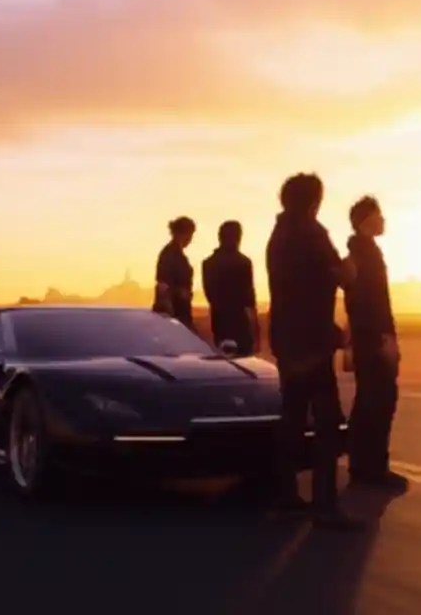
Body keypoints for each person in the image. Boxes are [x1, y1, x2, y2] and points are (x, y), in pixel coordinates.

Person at [266, 173, 362, 530]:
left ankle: (286, 496)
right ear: (313, 201)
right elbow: (342, 275)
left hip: (288, 341)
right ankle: (325, 504)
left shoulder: (278, 236)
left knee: (291, 420)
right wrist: (352, 264)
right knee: (328, 423)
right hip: (313, 342)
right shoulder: (312, 233)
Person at [344, 196, 410, 493]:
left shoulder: (364, 252)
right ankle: (372, 469)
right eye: (379, 214)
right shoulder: (364, 255)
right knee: (379, 401)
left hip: (369, 336)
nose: (383, 219)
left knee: (370, 401)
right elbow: (369, 302)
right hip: (373, 338)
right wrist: (383, 337)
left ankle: (364, 467)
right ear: (366, 220)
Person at [202, 220, 259, 356]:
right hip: (240, 322)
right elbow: (249, 298)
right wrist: (256, 327)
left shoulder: (209, 263)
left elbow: (209, 294)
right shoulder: (243, 262)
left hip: (219, 321)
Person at [153, 216, 196, 329]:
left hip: (179, 310)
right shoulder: (169, 254)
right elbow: (162, 285)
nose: (190, 239)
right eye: (189, 235)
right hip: (174, 312)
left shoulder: (177, 255)